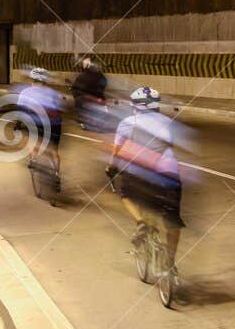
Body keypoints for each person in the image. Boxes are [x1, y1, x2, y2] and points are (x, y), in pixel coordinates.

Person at [108, 87, 187, 282]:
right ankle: (169, 262)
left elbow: (116, 151)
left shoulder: (127, 123)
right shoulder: (168, 123)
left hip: (139, 175)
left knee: (126, 195)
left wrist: (111, 168)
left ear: (135, 105)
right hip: (168, 175)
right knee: (172, 220)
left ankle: (141, 223)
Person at [16, 67, 65, 197]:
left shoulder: (25, 91)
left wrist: (18, 124)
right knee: (54, 151)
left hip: (35, 122)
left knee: (31, 141)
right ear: (45, 81)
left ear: (32, 79)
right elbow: (59, 109)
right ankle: (56, 175)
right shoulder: (53, 93)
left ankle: (34, 160)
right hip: (54, 123)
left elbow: (21, 110)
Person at [71, 56, 111, 133]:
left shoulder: (82, 76)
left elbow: (76, 90)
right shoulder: (101, 76)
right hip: (97, 99)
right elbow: (103, 86)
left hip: (87, 99)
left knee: (79, 102)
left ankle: (85, 122)